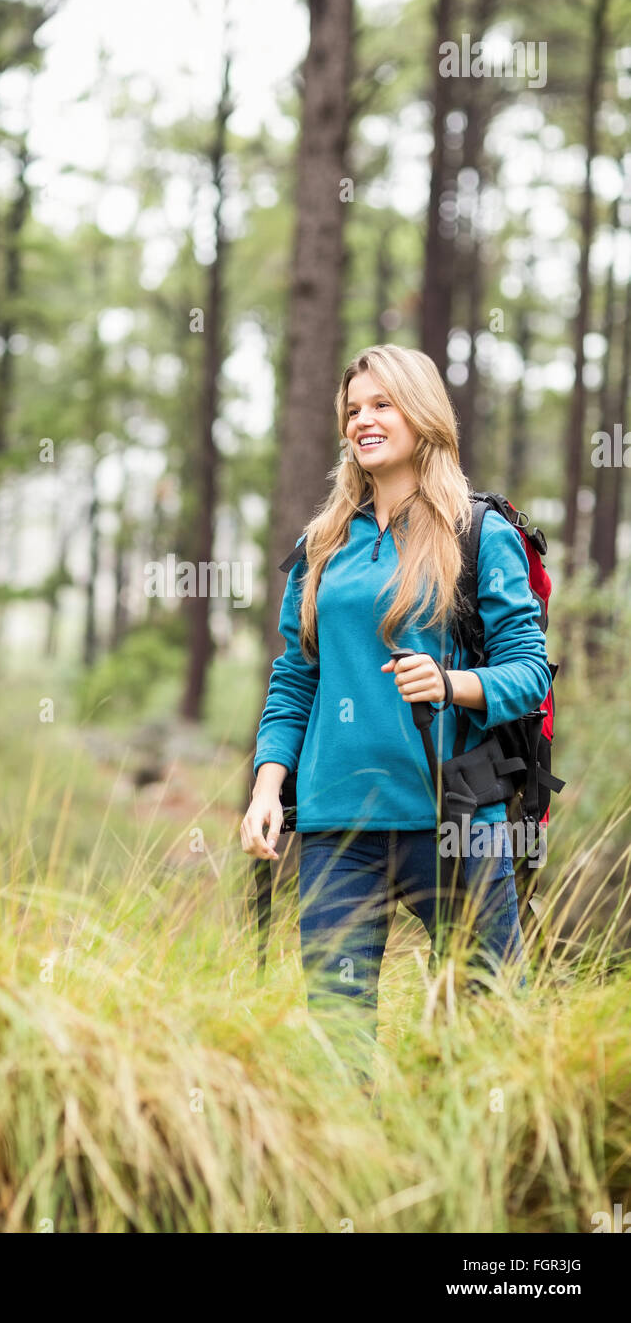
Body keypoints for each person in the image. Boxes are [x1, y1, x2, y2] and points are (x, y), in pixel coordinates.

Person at [240, 344, 552, 1071]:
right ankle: (355, 1176)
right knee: (338, 1047)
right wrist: (267, 790)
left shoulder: (479, 533)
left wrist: (450, 684)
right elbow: (295, 679)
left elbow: (528, 673)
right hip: (335, 824)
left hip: (452, 819)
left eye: (382, 404)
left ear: (422, 413)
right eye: (353, 410)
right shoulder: (320, 545)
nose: (364, 421)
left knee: (490, 1028)